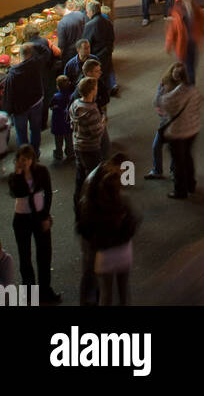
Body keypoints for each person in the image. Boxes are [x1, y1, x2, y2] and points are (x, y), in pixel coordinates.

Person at [76, 157, 138, 306]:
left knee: (106, 290)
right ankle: (88, 300)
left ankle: (89, 300)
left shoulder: (103, 191)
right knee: (113, 287)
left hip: (103, 250)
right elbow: (132, 225)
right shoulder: (116, 199)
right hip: (113, 250)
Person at [7, 145, 61, 303]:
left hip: (39, 216)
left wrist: (46, 217)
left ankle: (45, 291)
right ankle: (29, 295)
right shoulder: (14, 177)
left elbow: (48, 193)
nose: (24, 162)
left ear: (32, 160)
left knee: (44, 254)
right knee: (25, 257)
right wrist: (18, 173)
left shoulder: (42, 172)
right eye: (21, 159)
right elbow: (16, 193)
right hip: (21, 219)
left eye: (27, 159)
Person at [161, 63, 202, 200]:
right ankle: (191, 184)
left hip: (178, 132)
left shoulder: (173, 96)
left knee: (178, 162)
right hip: (193, 129)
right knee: (188, 157)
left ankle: (180, 191)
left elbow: (164, 106)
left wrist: (164, 91)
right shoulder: (194, 91)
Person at [69, 78, 105, 206]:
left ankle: (78, 199)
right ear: (91, 91)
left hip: (78, 144)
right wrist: (102, 123)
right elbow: (96, 132)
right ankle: (91, 203)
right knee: (94, 176)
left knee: (80, 174)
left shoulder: (75, 104)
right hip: (91, 147)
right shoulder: (92, 111)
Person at [3, 45, 44, 152]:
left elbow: (9, 94)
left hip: (20, 109)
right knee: (35, 130)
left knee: (21, 133)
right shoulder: (36, 64)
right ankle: (35, 153)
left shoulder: (12, 74)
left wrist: (8, 111)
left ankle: (25, 155)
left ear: (20, 55)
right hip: (36, 103)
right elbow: (45, 51)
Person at [84, 1, 115, 88]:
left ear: (92, 11)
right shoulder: (108, 22)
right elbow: (112, 38)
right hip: (107, 54)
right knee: (105, 78)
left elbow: (87, 43)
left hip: (96, 56)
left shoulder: (90, 25)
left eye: (87, 12)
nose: (87, 14)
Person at [49, 74, 74, 163]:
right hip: (68, 122)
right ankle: (70, 153)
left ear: (57, 86)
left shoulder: (56, 97)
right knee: (69, 139)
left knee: (58, 141)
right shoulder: (71, 96)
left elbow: (51, 106)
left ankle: (58, 154)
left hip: (57, 123)